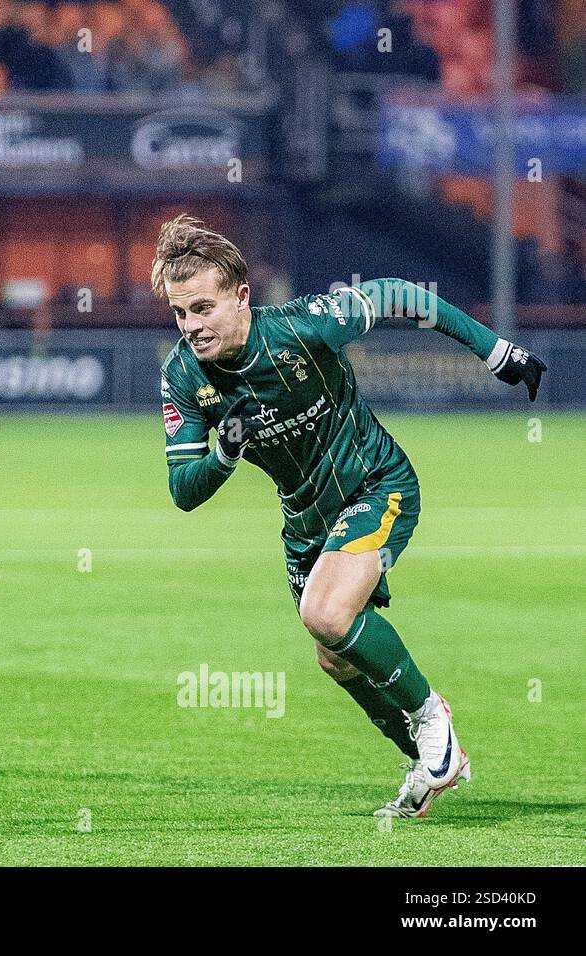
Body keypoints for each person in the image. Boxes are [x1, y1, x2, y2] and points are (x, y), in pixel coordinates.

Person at [154, 215, 547, 817]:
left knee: (325, 612)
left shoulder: (302, 326)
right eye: (181, 314)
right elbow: (183, 489)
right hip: (305, 523)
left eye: (203, 309)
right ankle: (431, 760)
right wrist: (225, 452)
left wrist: (493, 349)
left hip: (375, 482)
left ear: (241, 296)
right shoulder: (183, 375)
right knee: (334, 653)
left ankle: (431, 717)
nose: (193, 327)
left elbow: (396, 292)